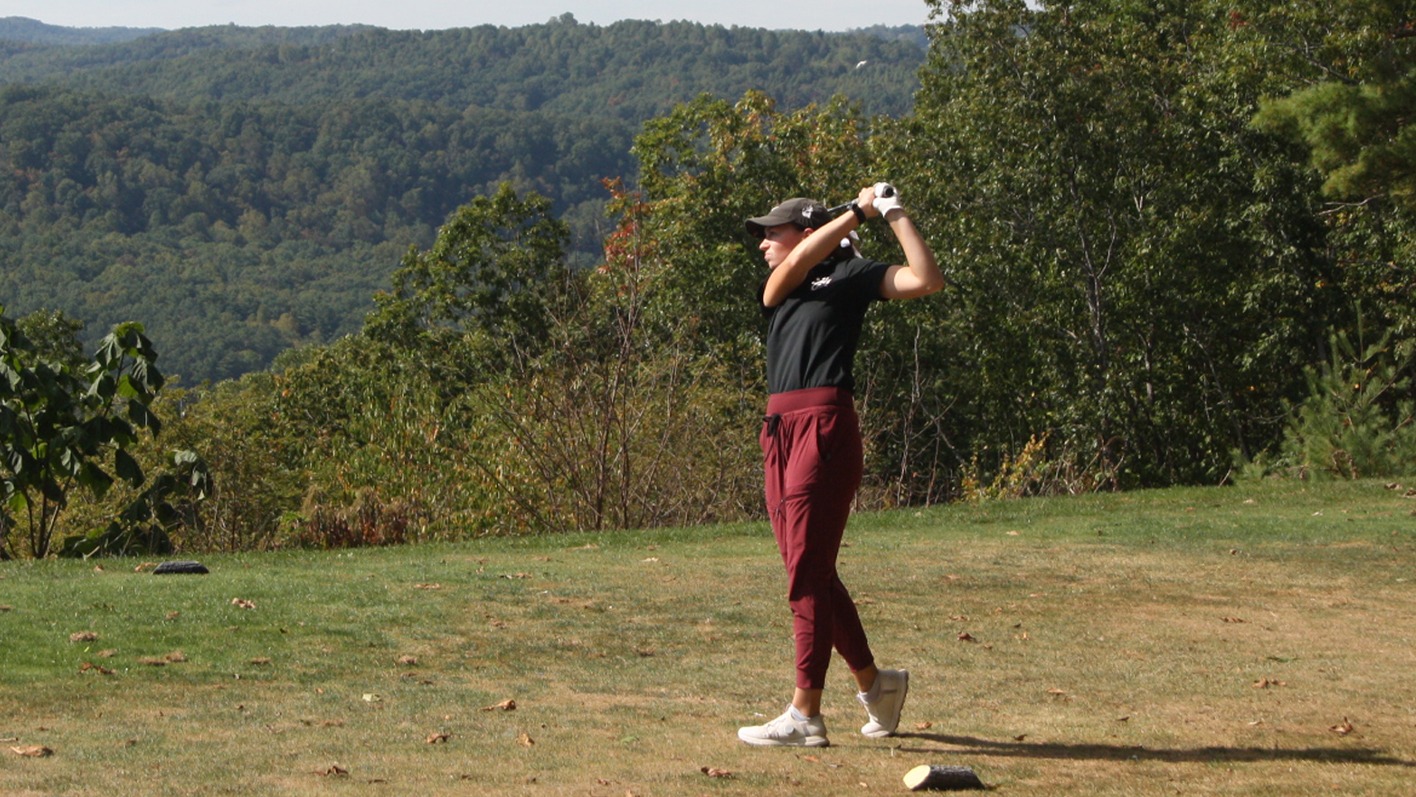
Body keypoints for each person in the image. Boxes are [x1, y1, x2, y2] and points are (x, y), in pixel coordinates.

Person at [736, 183, 945, 748]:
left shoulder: (849, 278)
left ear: (804, 231)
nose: (763, 246)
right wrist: (854, 211)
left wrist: (893, 212)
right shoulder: (788, 281)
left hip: (823, 425)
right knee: (814, 573)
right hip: (779, 430)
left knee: (806, 573)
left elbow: (926, 279)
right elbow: (785, 275)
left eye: (771, 234)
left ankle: (806, 713)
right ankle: (877, 686)